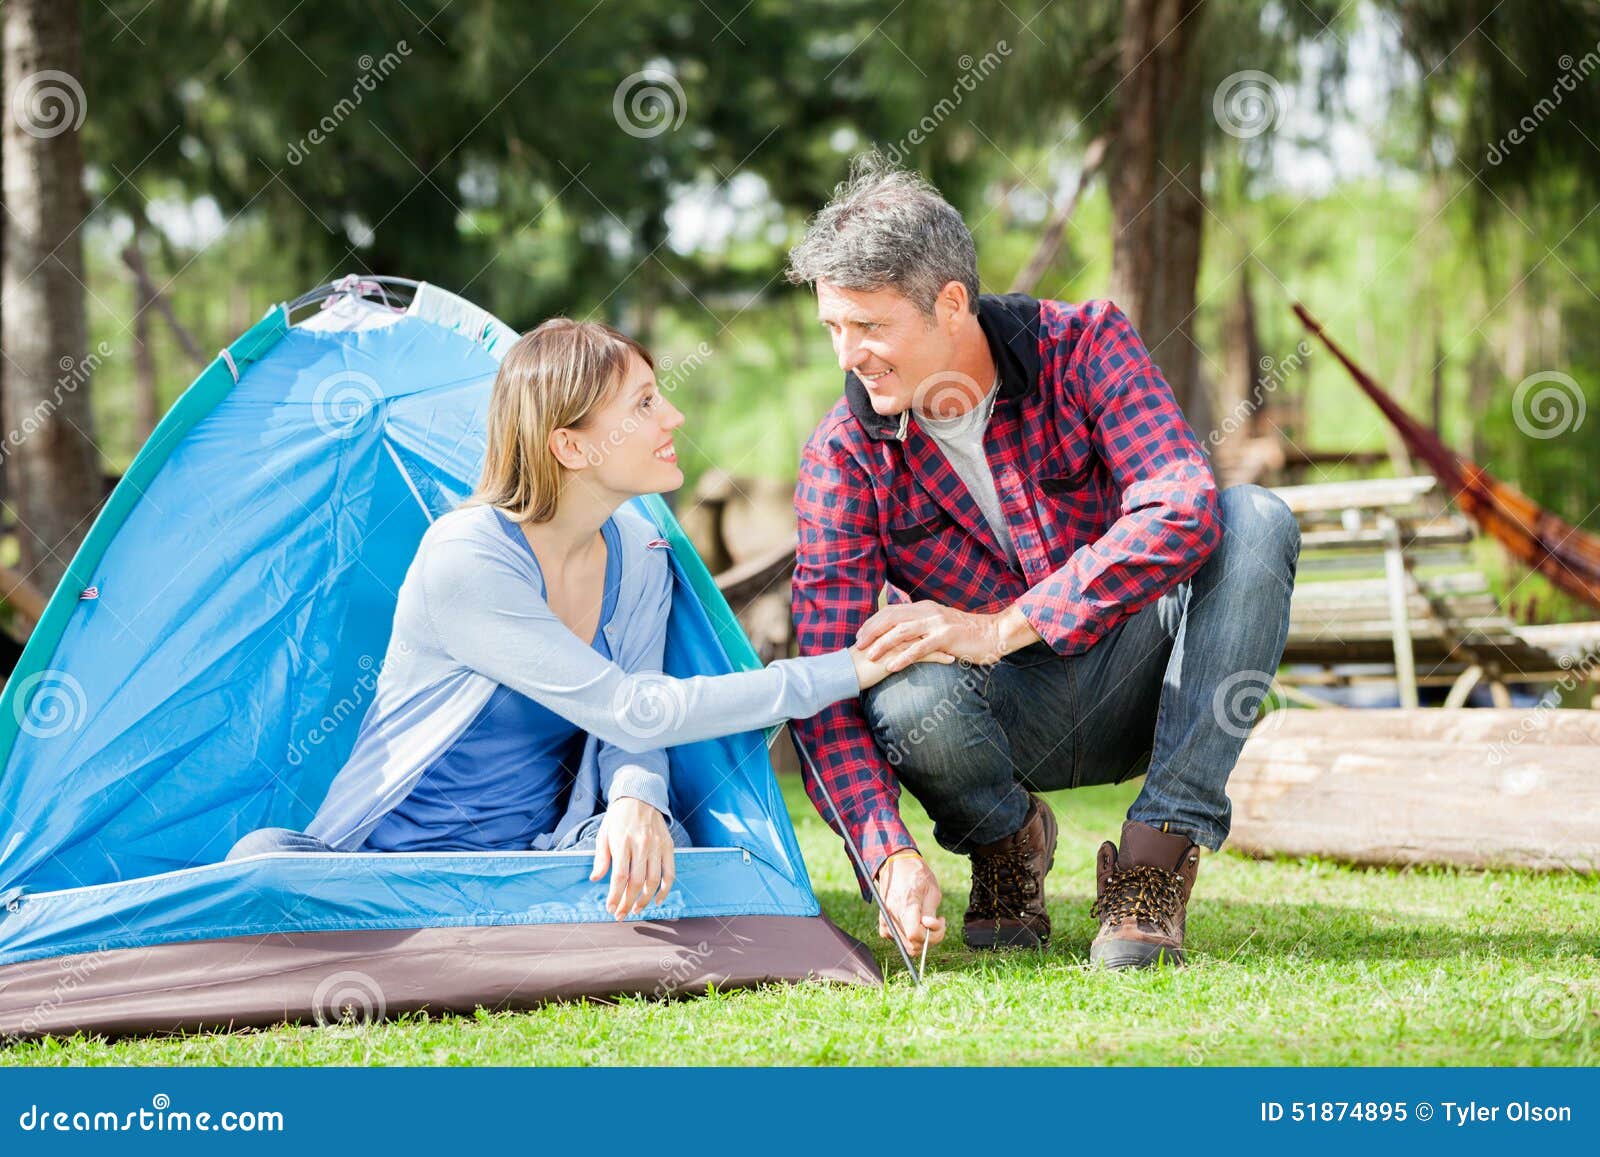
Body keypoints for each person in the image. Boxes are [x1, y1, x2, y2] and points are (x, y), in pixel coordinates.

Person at [227, 318, 946, 921]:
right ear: (569, 446)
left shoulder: (637, 550)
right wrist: (848, 669)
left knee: (666, 853)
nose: (672, 418)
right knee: (258, 868)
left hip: (541, 862)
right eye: (642, 405)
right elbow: (638, 707)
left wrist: (637, 800)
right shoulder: (467, 558)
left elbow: (629, 725)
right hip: (394, 871)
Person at [785, 155, 1301, 969]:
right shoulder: (843, 457)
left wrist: (1001, 627)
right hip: (999, 721)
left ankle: (1153, 858)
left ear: (952, 303)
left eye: (871, 326)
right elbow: (822, 677)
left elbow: (1181, 503)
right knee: (900, 676)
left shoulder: (1086, 344)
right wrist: (884, 851)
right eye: (832, 328)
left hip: (1143, 684)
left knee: (1255, 518)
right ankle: (1006, 846)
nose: (848, 354)